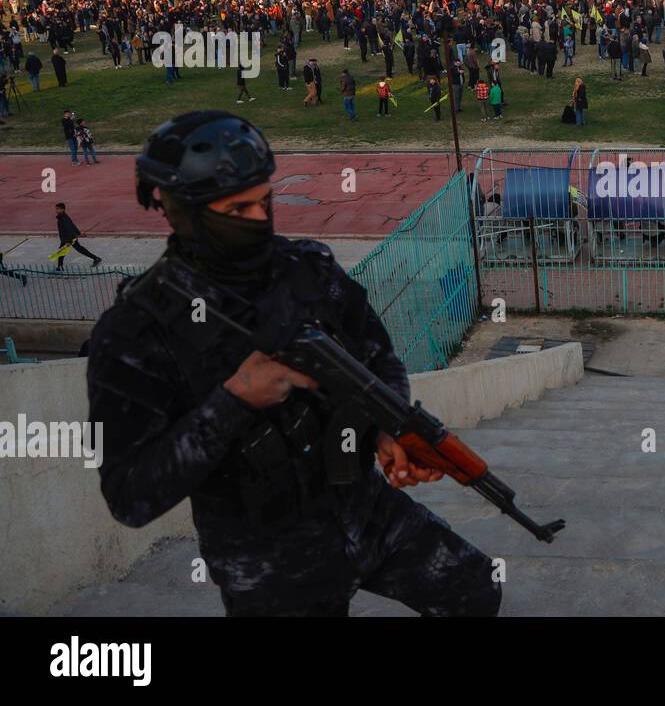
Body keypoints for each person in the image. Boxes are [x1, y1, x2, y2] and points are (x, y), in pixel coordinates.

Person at [86, 111, 501, 617]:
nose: (261, 220)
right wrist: (234, 400)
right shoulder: (135, 331)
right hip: (268, 562)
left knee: (475, 590)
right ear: (182, 212)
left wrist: (387, 429)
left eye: (265, 201)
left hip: (364, 511)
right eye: (238, 208)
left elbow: (377, 355)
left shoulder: (306, 269)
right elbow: (130, 497)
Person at [54, 202, 102, 270]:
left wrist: (68, 241)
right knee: (79, 249)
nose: (56, 210)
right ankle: (96, 258)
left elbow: (69, 228)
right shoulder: (63, 216)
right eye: (56, 209)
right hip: (69, 238)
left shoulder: (63, 218)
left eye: (58, 209)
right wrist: (79, 233)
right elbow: (72, 225)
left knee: (62, 251)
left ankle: (59, 267)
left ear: (63, 209)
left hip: (68, 239)